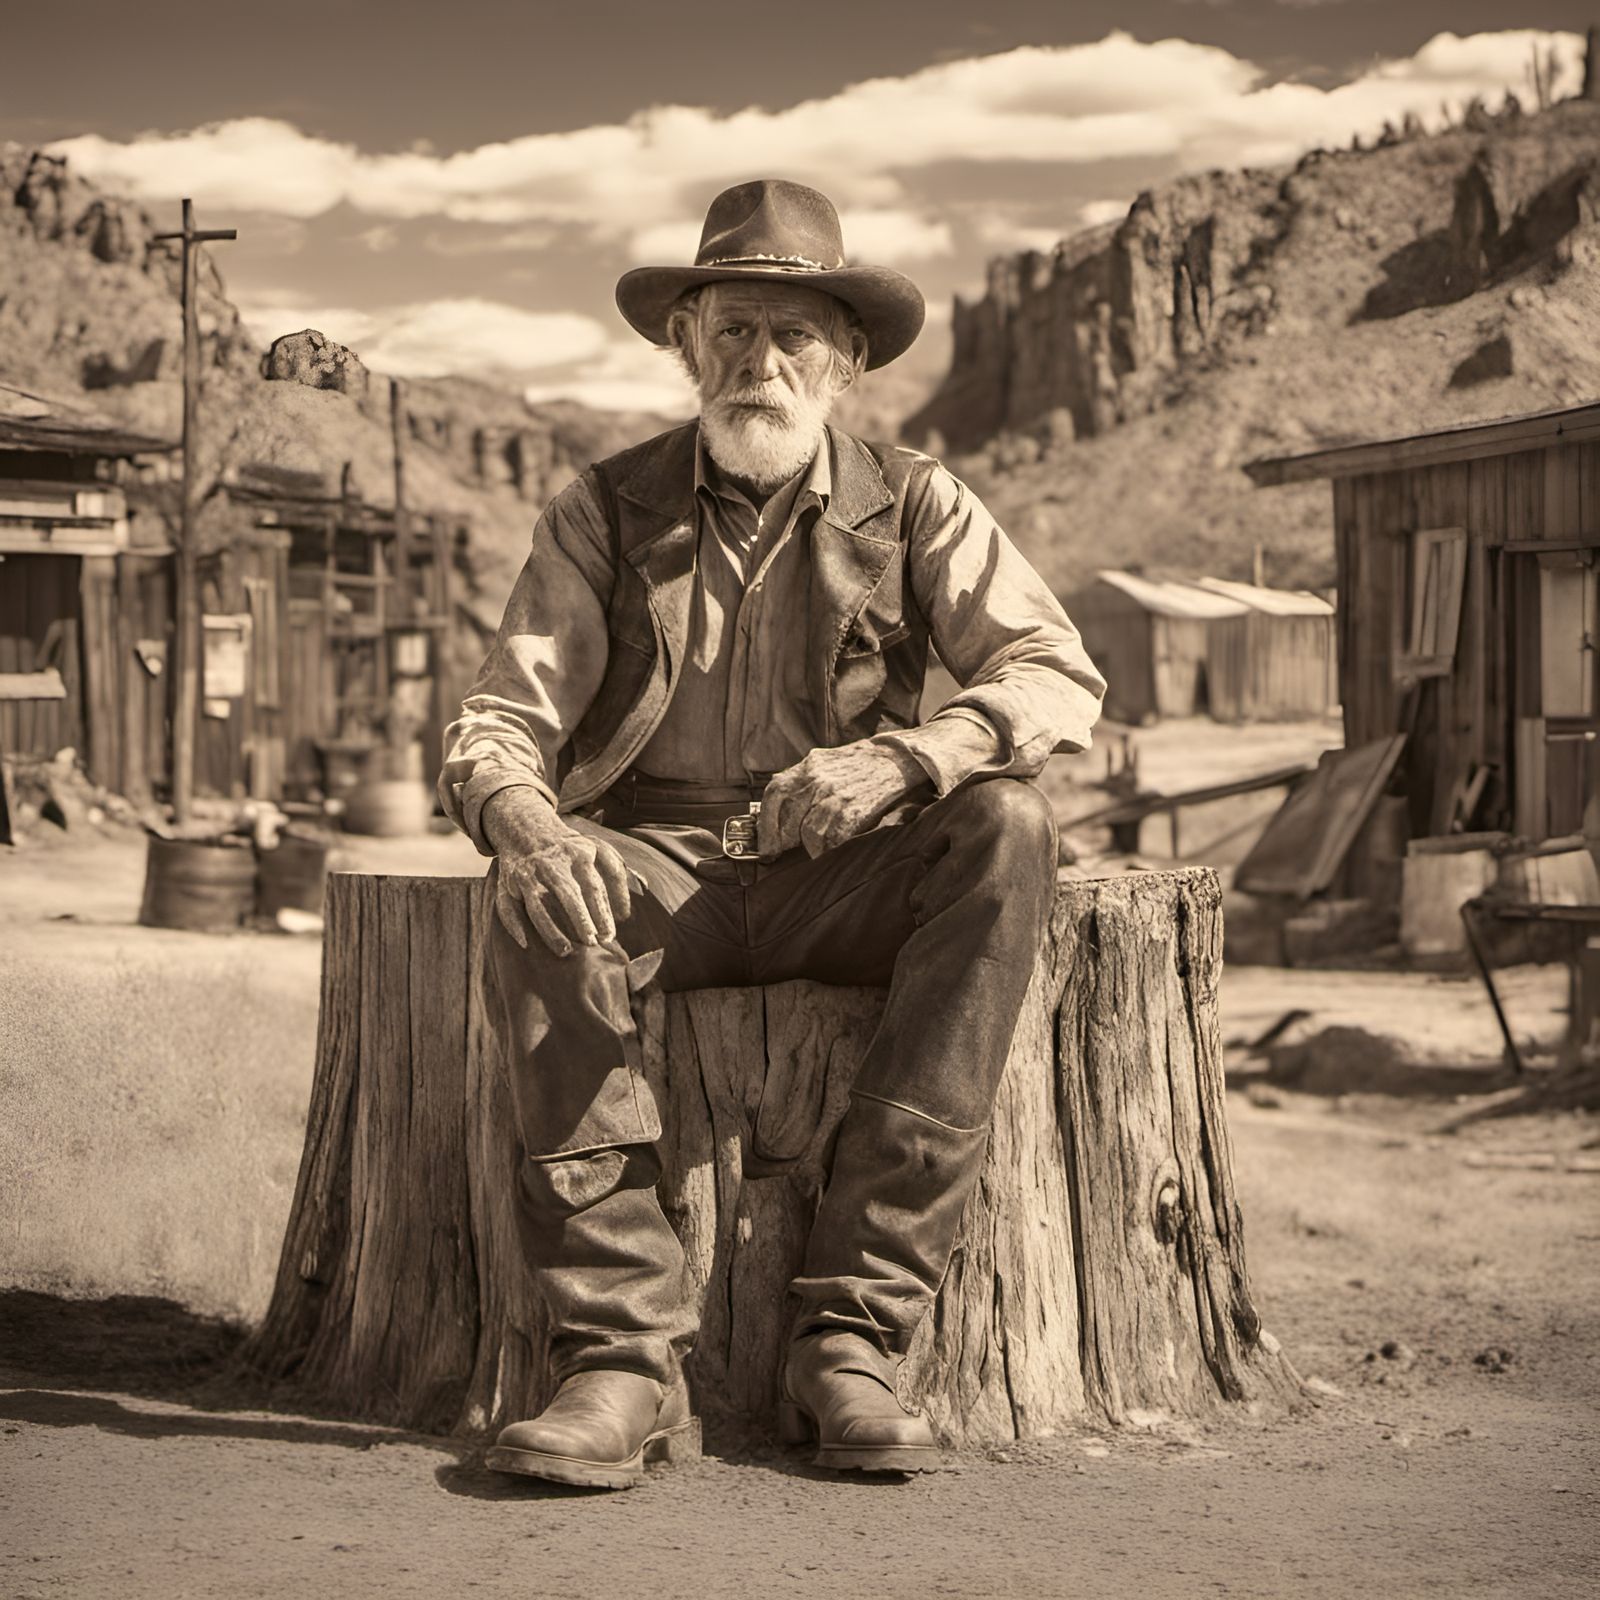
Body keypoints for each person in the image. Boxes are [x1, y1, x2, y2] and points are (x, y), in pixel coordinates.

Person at [439, 178, 1105, 1488]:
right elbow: (500, 720)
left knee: (1008, 833)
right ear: (687, 344)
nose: (761, 362)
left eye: (793, 333)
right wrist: (524, 820)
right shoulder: (599, 510)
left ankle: (849, 1343)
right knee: (538, 889)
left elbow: (1051, 672)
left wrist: (911, 760)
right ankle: (621, 1364)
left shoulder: (918, 503)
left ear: (847, 358)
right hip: (661, 865)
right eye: (732, 328)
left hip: (841, 869)